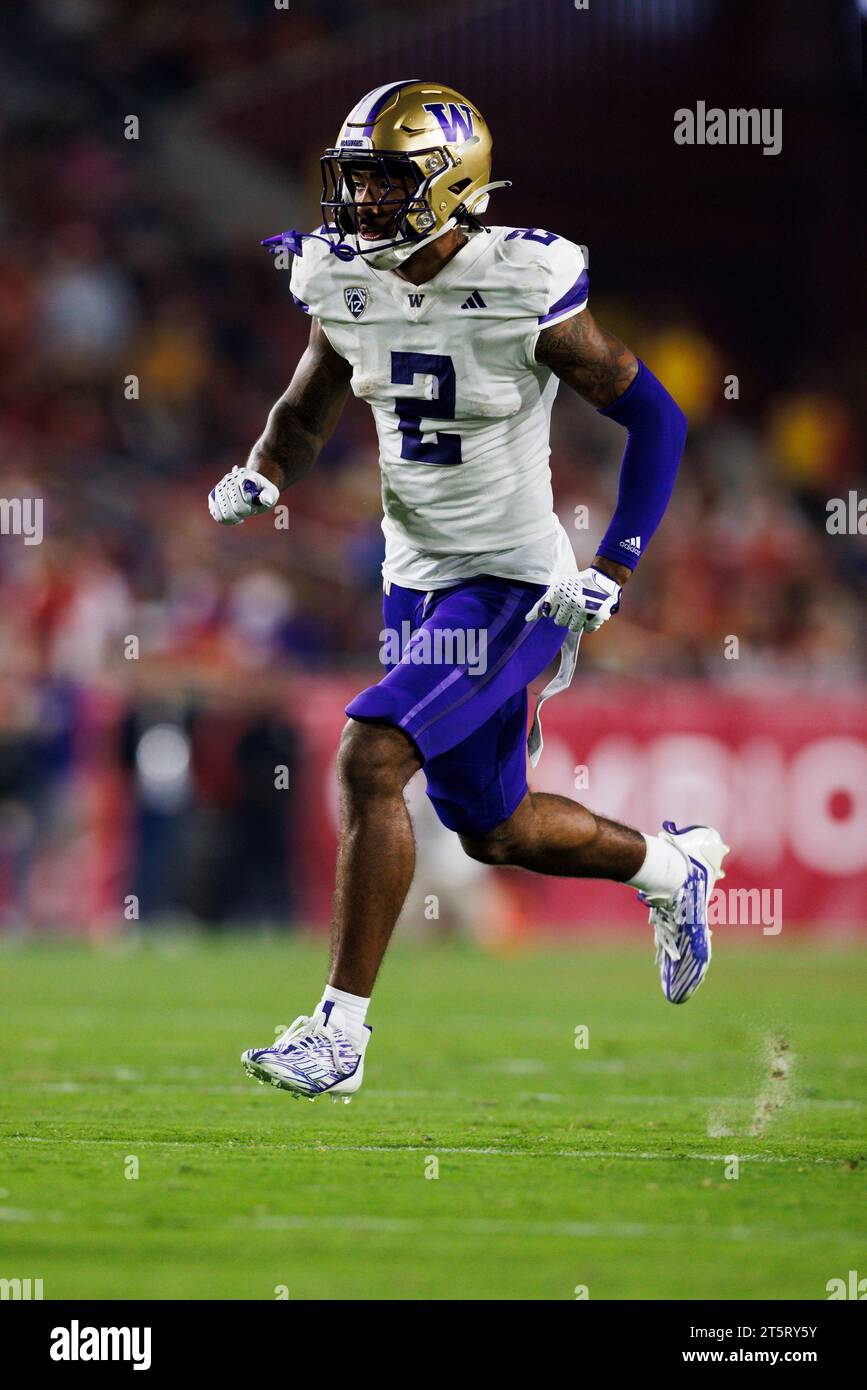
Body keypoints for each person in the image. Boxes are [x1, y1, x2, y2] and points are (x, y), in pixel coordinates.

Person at [208, 80, 728, 1101]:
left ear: (451, 189)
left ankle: (339, 1034)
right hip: (419, 586)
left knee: (372, 758)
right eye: (350, 182)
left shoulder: (522, 282)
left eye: (382, 184)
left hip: (511, 587)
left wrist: (614, 562)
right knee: (492, 826)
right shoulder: (342, 281)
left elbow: (660, 419)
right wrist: (268, 468)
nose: (356, 205)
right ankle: (675, 872)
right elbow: (311, 399)